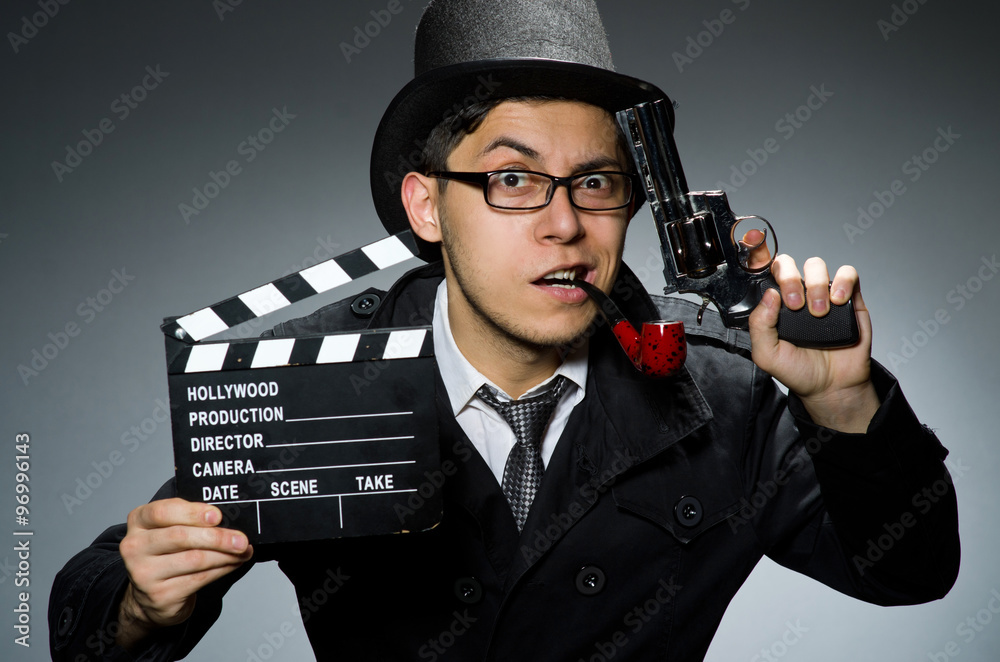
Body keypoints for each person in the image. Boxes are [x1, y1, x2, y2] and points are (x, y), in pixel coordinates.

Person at [49, 1, 959, 660]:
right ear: (428, 205)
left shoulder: (729, 389)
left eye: (597, 182)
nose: (565, 225)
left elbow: (909, 572)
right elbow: (87, 620)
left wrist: (846, 406)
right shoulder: (316, 383)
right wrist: (142, 605)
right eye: (513, 181)